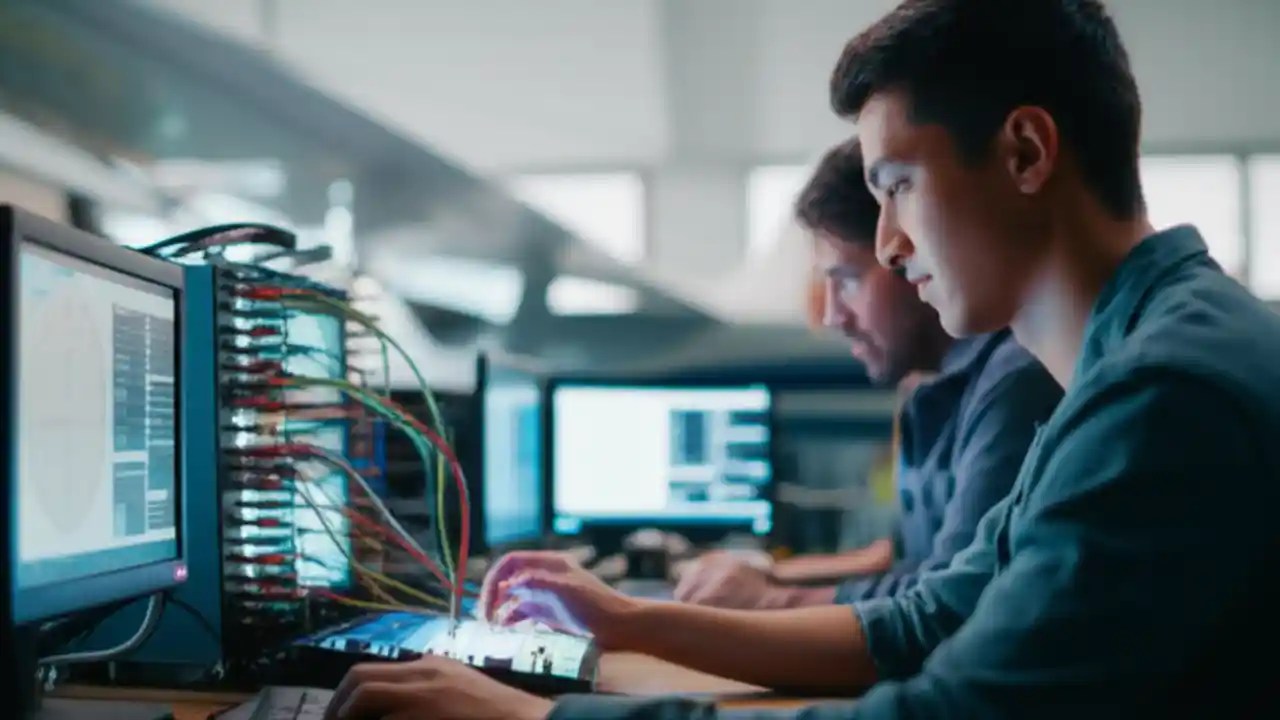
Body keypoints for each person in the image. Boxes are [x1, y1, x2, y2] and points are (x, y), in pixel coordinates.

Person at [324, 0, 1280, 717]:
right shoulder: (1128, 365)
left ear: (1027, 153)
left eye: (898, 186)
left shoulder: (1160, 397)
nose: (891, 245)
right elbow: (927, 622)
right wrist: (627, 619)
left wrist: (533, 716)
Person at [674, 139, 1061, 610]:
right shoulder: (933, 387)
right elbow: (906, 560)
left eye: (847, 281)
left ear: (912, 258)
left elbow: (946, 602)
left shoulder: (1013, 387)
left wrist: (771, 599)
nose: (833, 316)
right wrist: (764, 573)